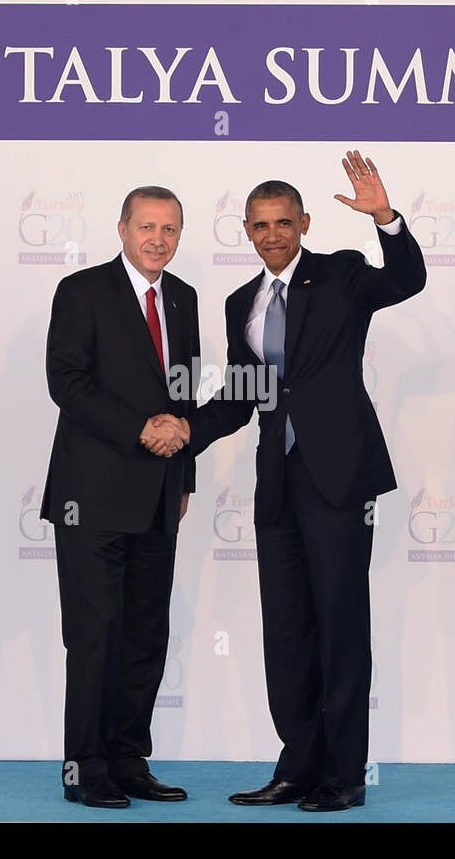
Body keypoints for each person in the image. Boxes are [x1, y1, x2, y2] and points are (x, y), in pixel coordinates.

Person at [152, 151, 425, 811]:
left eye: (283, 221)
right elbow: (244, 394)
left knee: (339, 628)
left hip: (337, 476)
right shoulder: (241, 301)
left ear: (303, 222)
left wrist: (385, 217)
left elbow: (408, 279)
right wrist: (189, 427)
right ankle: (298, 767)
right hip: (276, 481)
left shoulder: (342, 274)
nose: (272, 234)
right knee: (288, 632)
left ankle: (343, 776)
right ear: (246, 230)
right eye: (259, 225)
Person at [41, 186, 198, 808]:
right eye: (147, 227)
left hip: (160, 494)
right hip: (92, 496)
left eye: (170, 229)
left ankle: (130, 760)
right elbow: (67, 382)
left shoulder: (183, 298)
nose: (158, 239)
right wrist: (139, 430)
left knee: (144, 635)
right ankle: (86, 766)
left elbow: (182, 394)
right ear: (122, 229)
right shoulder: (81, 292)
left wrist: (183, 476)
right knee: (94, 634)